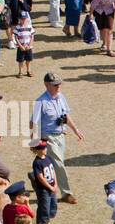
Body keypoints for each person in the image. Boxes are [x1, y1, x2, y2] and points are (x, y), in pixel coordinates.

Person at [31, 72, 84, 205]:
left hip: (61, 136)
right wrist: (34, 140)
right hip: (48, 137)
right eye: (55, 84)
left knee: (54, 164)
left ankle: (35, 175)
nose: (58, 86)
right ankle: (66, 193)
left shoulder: (61, 97)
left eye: (59, 83)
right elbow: (34, 122)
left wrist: (75, 129)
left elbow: (66, 116)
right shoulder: (40, 102)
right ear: (47, 85)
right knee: (59, 164)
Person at [29, 138, 58, 224]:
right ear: (36, 150)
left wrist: (55, 184)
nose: (44, 149)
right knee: (43, 208)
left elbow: (53, 171)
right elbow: (40, 178)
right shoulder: (37, 162)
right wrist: (50, 187)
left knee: (52, 205)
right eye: (41, 148)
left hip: (51, 187)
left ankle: (47, 223)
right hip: (43, 190)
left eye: (45, 147)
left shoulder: (48, 158)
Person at [13, 7, 34, 78]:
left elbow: (32, 36)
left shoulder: (29, 26)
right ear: (19, 19)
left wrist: (29, 45)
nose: (23, 20)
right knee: (20, 60)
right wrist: (20, 45)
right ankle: (20, 72)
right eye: (22, 19)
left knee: (28, 60)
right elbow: (16, 37)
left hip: (28, 47)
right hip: (21, 47)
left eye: (24, 18)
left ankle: (28, 70)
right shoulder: (17, 27)